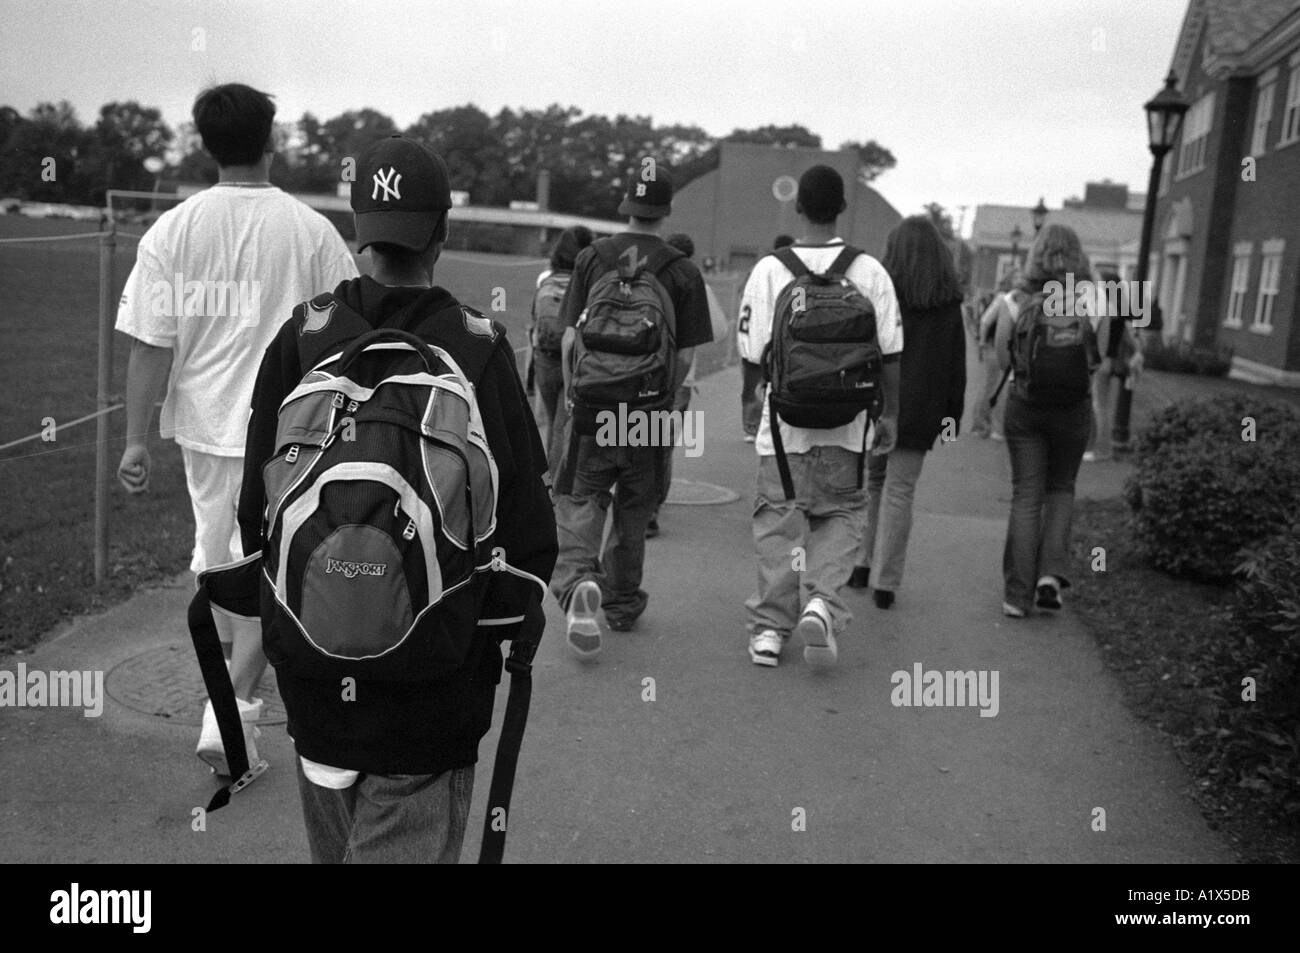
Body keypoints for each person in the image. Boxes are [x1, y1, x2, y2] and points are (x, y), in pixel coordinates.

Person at [236, 135, 556, 863]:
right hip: (432, 695)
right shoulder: (476, 347)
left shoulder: (303, 337)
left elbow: (254, 510)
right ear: (441, 233)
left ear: (357, 230)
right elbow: (530, 538)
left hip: (316, 684)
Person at [114, 83, 359, 774]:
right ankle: (236, 710)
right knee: (270, 571)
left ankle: (234, 706)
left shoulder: (173, 230)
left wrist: (136, 438)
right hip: (295, 431)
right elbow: (346, 336)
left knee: (219, 562)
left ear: (204, 143)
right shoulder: (311, 230)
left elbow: (147, 345)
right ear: (271, 139)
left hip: (206, 427)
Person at [741, 165, 902, 667]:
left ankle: (770, 630)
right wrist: (890, 415)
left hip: (785, 426)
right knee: (843, 514)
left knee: (779, 524)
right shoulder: (870, 271)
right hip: (849, 425)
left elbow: (752, 351)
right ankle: (821, 601)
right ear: (842, 209)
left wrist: (750, 404)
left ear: (798, 207)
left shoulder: (770, 269)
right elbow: (891, 352)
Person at [551, 165, 713, 655]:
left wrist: (576, 395)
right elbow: (684, 356)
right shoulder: (682, 270)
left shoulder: (591, 258)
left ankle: (578, 579)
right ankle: (621, 604)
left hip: (592, 403)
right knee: (634, 509)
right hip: (648, 409)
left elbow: (567, 340)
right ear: (665, 211)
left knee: (584, 498)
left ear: (626, 205)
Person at [848, 216, 965, 607]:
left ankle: (859, 565)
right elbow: (955, 369)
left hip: (877, 402)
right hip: (922, 409)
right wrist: (950, 422)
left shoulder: (881, 294)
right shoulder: (948, 303)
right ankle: (887, 582)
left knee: (872, 483)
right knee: (901, 492)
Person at [991, 224, 1098, 618]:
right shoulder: (1092, 298)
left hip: (1026, 405)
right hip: (1073, 408)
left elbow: (1003, 358)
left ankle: (1016, 594)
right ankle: (1050, 576)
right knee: (1061, 489)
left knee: (1026, 495)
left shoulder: (1017, 298)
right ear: (1078, 257)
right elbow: (1094, 361)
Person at [645, 231, 728, 538]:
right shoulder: (696, 283)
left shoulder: (645, 277)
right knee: (662, 445)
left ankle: (633, 504)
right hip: (681, 375)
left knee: (634, 439)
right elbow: (718, 330)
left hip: (640, 371)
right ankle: (652, 509)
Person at [529, 226, 594, 466]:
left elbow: (535, 320)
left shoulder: (545, 279)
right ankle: (557, 489)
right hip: (573, 358)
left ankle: (548, 480)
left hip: (544, 358)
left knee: (552, 427)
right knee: (561, 426)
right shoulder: (587, 282)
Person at [736, 234, 796, 442]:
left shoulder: (759, 268)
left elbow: (742, 293)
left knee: (752, 382)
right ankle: (766, 424)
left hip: (753, 331)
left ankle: (751, 427)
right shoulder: (792, 271)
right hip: (781, 335)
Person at [1084, 268, 1145, 461]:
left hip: (1101, 361)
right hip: (1112, 361)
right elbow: (1130, 339)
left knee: (1098, 406)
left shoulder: (1103, 308)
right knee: (1102, 405)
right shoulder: (1121, 310)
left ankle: (1101, 449)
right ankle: (1101, 447)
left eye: (1099, 281)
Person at [970, 272, 1018, 440]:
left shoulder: (1007, 299)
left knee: (992, 386)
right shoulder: (1003, 299)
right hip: (994, 347)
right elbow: (985, 321)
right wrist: (982, 342)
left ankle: (984, 424)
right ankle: (983, 424)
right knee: (992, 387)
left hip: (994, 347)